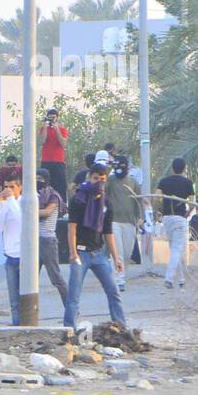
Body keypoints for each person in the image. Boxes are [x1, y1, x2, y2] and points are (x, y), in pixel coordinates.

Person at [64, 164, 127, 329]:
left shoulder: (106, 203)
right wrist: (73, 253)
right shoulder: (78, 199)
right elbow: (72, 228)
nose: (98, 183)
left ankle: (121, 327)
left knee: (113, 290)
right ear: (89, 178)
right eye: (95, 179)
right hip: (81, 253)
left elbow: (108, 233)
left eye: (102, 180)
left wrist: (116, 258)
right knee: (74, 294)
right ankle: (70, 329)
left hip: (99, 253)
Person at [156, 158, 196, 289]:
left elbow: (157, 198)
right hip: (180, 218)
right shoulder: (188, 183)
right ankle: (169, 278)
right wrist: (188, 212)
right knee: (177, 249)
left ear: (172, 168)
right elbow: (192, 202)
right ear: (184, 169)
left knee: (175, 248)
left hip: (167, 219)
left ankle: (182, 279)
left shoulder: (163, 182)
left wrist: (161, 210)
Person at [105, 154, 142, 291]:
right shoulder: (110, 180)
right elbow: (102, 189)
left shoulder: (133, 182)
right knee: (117, 251)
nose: (119, 168)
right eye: (117, 166)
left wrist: (141, 217)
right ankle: (118, 280)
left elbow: (140, 201)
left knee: (127, 253)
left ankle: (121, 274)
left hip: (130, 222)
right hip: (113, 221)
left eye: (122, 165)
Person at [35, 169, 70, 307]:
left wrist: (29, 208)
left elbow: (47, 212)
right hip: (34, 241)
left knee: (56, 278)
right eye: (36, 178)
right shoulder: (33, 195)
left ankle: (70, 308)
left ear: (47, 180)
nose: (38, 181)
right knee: (29, 279)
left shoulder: (53, 196)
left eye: (40, 178)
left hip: (47, 241)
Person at [0, 180, 23, 325]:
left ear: (19, 188)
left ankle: (27, 324)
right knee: (14, 299)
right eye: (6, 187)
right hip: (10, 257)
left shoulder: (24, 203)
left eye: (12, 187)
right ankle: (16, 325)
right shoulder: (5, 204)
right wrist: (3, 205)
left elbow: (20, 220)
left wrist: (10, 200)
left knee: (26, 297)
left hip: (24, 257)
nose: (9, 190)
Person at [39, 107, 69, 199]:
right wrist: (45, 125)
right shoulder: (43, 128)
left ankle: (62, 205)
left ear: (57, 118)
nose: (52, 119)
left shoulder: (62, 129)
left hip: (58, 161)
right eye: (50, 117)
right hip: (46, 161)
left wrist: (56, 129)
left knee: (60, 185)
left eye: (53, 117)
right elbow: (43, 140)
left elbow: (63, 143)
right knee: (44, 184)